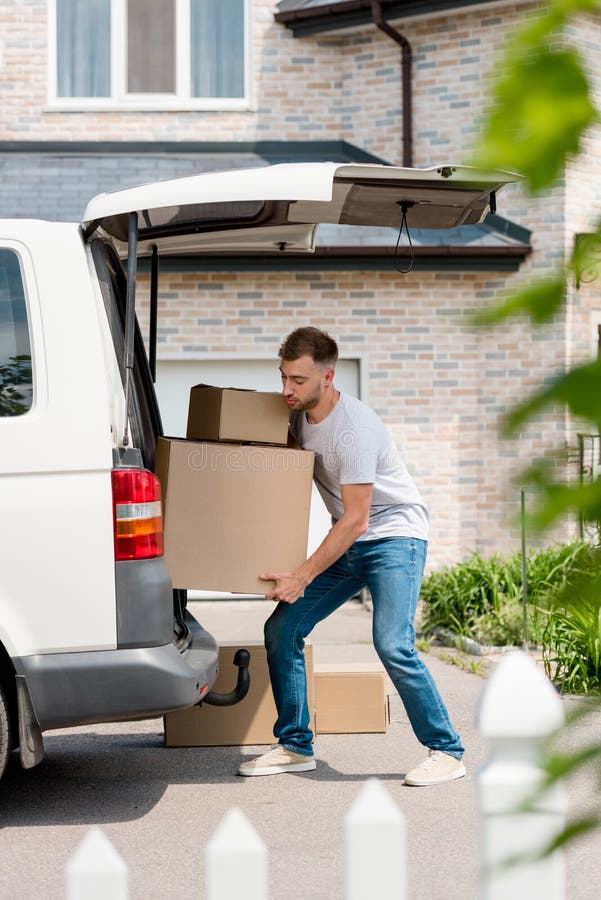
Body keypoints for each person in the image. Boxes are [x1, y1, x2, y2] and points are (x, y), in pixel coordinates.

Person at [238, 326, 465, 785]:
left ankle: (446, 751)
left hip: (394, 536)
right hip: (350, 540)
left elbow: (358, 519)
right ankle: (295, 745)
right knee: (283, 628)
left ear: (328, 377)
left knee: (392, 643)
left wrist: (302, 574)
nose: (286, 389)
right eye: (283, 376)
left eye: (298, 380)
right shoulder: (297, 416)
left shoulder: (355, 429)